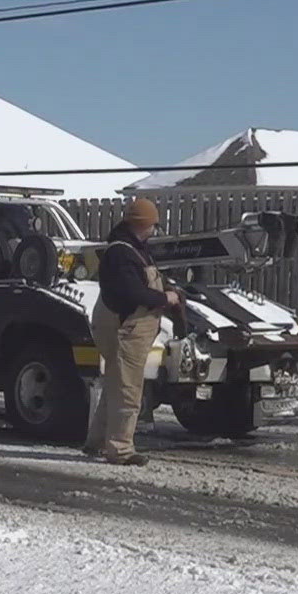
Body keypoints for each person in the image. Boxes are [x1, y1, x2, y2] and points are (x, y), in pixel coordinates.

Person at [84, 198, 181, 465]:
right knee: (128, 389)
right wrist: (165, 298)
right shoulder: (122, 253)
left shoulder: (130, 249)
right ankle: (121, 449)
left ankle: (96, 442)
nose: (155, 230)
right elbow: (133, 292)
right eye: (154, 225)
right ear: (143, 224)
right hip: (127, 328)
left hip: (123, 326)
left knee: (115, 385)